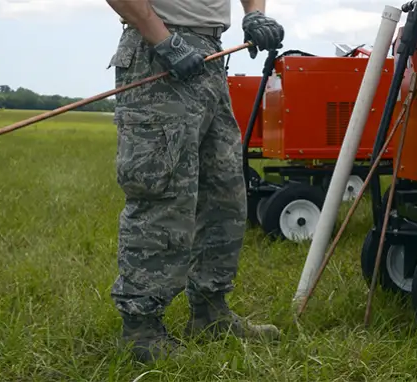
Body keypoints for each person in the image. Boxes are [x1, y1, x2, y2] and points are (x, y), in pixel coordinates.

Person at [103, 0, 285, 363]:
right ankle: (141, 331)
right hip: (158, 51)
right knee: (160, 194)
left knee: (224, 194)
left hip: (210, 57)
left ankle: (210, 313)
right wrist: (162, 39)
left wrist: (255, 14)